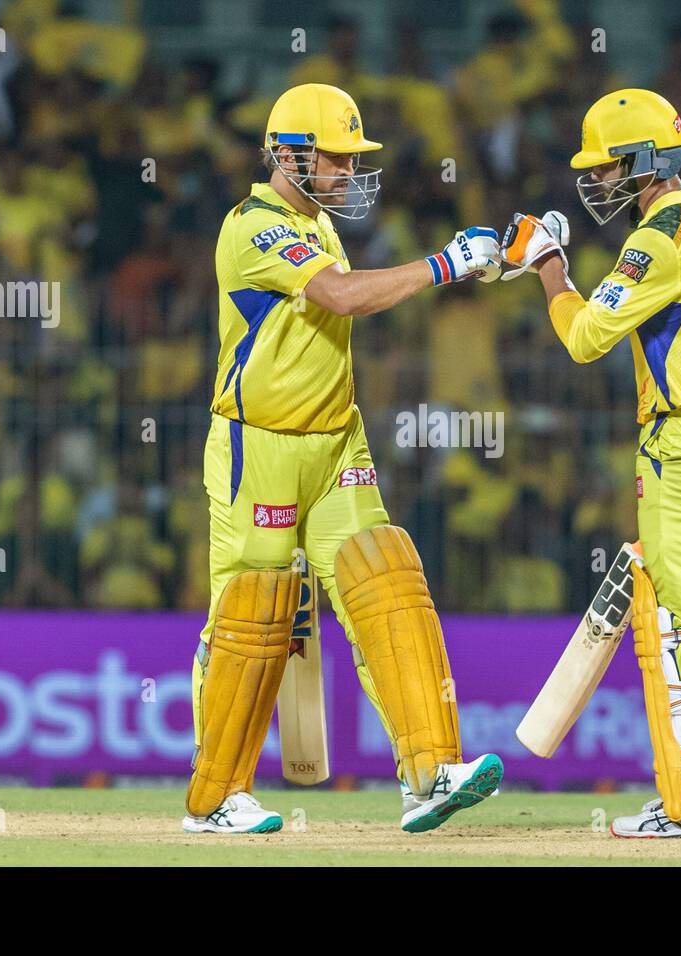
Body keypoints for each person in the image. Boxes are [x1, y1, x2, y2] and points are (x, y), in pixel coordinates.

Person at [183, 83, 504, 835]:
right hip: (256, 448)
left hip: (335, 443)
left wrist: (501, 262)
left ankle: (430, 774)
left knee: (385, 579)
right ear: (290, 155)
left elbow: (350, 304)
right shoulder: (252, 227)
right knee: (249, 617)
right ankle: (215, 797)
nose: (352, 173)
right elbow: (341, 296)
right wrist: (447, 264)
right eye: (339, 158)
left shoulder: (320, 222)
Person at [502, 89, 681, 838]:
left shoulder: (655, 238)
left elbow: (585, 337)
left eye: (613, 164)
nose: (599, 180)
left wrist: (549, 267)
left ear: (650, 161)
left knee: (680, 618)